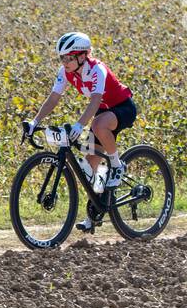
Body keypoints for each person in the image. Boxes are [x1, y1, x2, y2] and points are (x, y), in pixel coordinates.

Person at [23, 32, 137, 232]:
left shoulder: (96, 70)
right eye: (62, 58)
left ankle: (117, 166)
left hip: (122, 107)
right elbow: (54, 98)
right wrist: (35, 121)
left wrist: (79, 125)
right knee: (89, 166)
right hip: (103, 110)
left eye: (69, 57)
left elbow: (94, 101)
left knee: (98, 125)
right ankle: (94, 215)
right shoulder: (65, 72)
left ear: (82, 56)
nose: (65, 62)